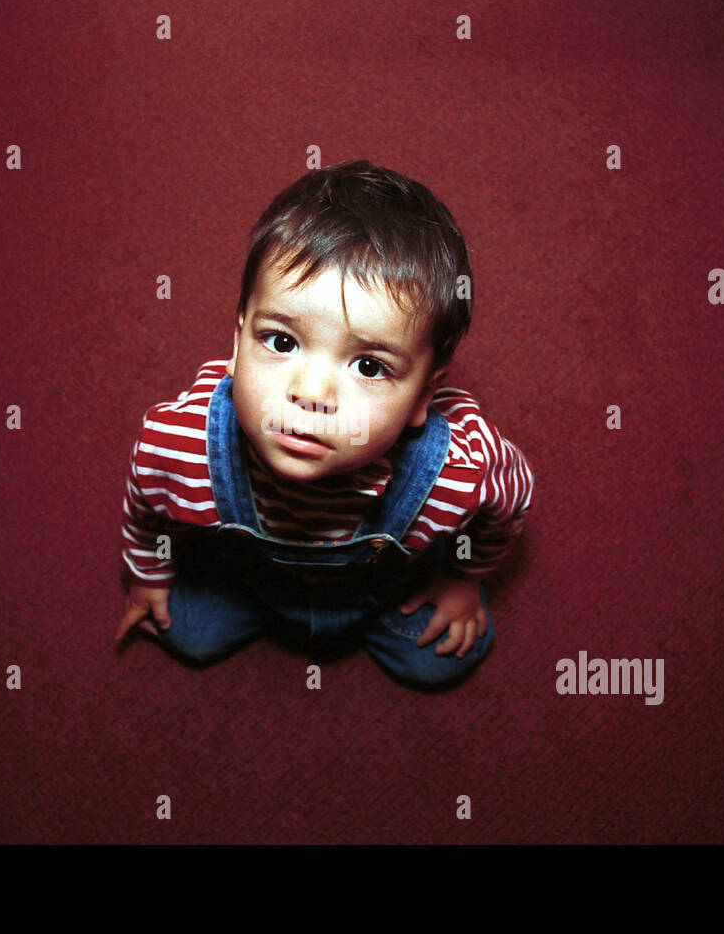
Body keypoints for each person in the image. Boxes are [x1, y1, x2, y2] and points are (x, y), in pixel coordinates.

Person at [115, 160, 533, 687]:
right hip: (252, 580)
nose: (311, 394)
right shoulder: (178, 443)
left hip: (381, 587)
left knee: (440, 660)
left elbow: (511, 500)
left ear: (425, 393)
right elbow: (144, 506)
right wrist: (149, 574)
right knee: (189, 633)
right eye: (282, 342)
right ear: (237, 341)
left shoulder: (459, 471)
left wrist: (461, 578)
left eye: (369, 366)